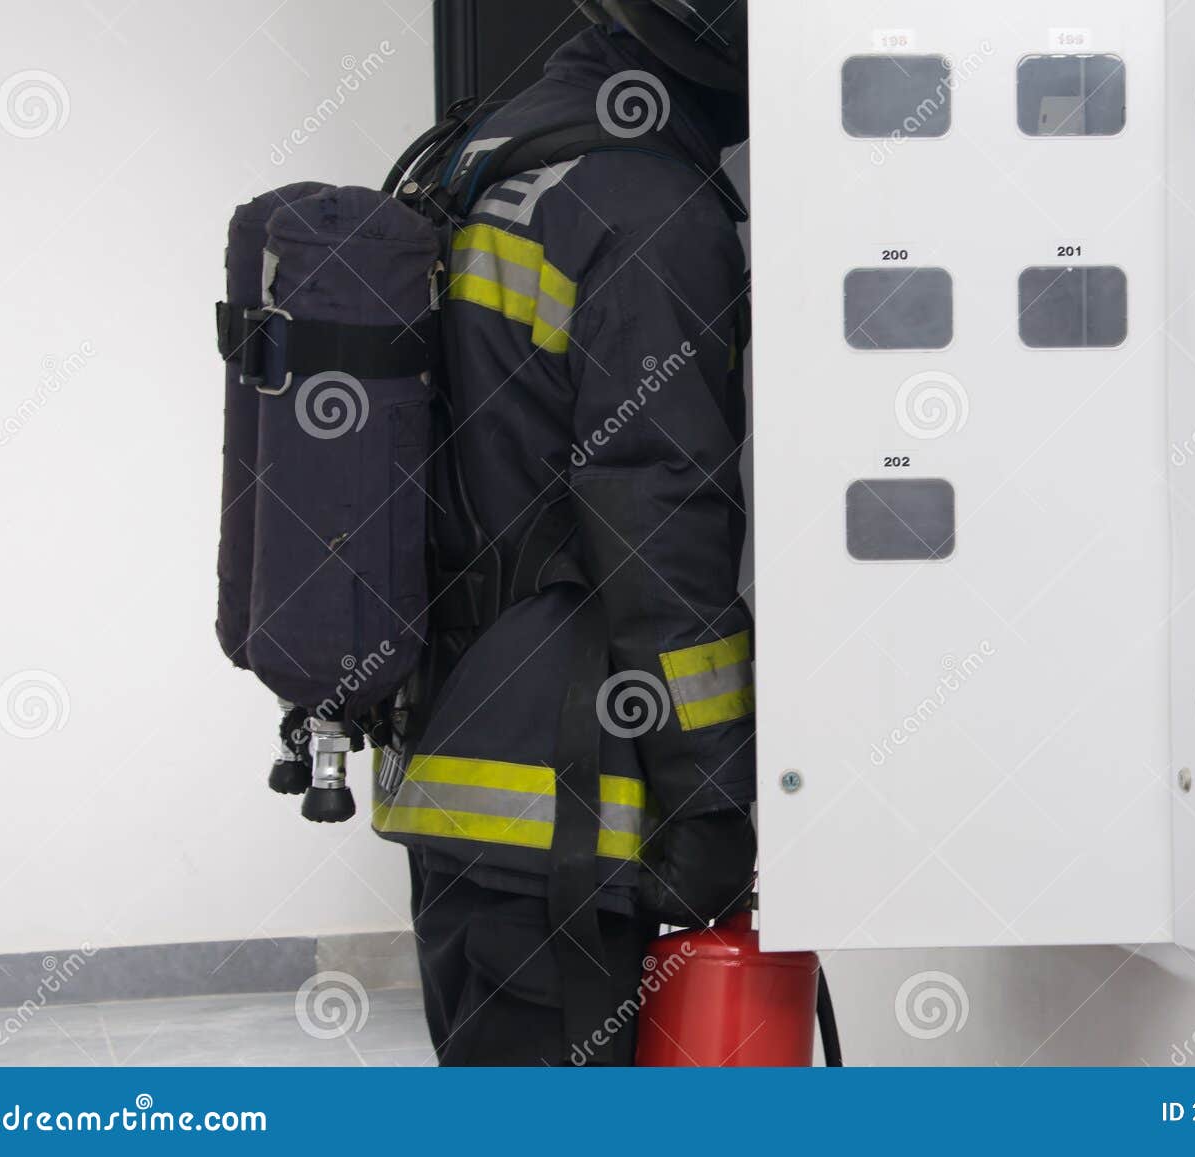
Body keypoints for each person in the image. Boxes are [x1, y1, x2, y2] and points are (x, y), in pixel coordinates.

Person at [370, 1, 757, 1066]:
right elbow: (658, 514)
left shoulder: (490, 152)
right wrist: (716, 796)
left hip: (462, 772)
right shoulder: (646, 208)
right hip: (567, 804)